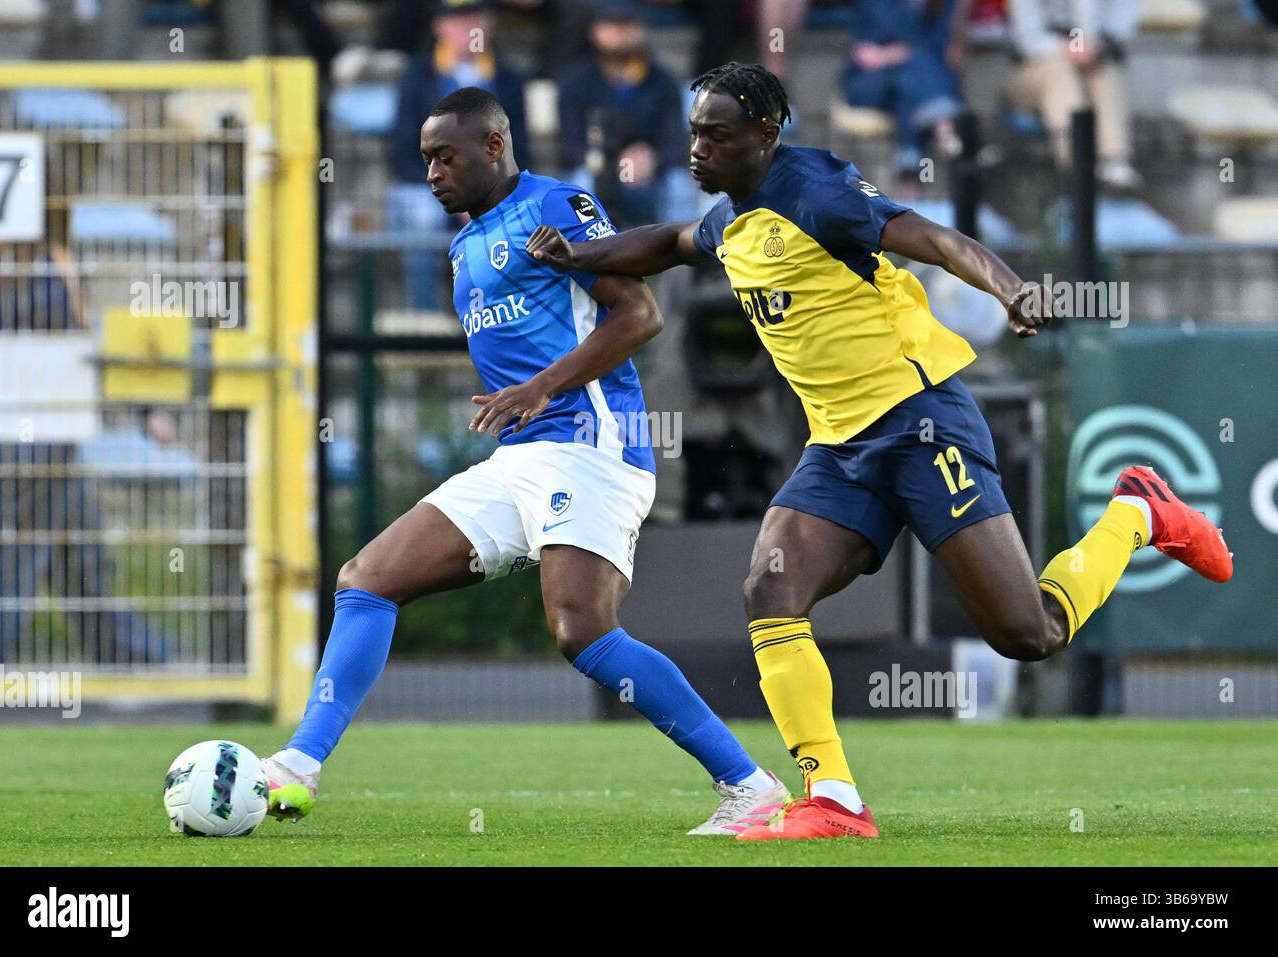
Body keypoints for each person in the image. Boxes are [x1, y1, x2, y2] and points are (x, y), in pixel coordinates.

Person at [527, 62, 1233, 840]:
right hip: (839, 445)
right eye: (694, 133)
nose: (697, 148)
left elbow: (931, 237)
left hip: (919, 421)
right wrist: (579, 258)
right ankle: (833, 797)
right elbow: (667, 241)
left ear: (765, 135)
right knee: (770, 588)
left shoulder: (818, 193)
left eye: (716, 135)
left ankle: (1135, 514)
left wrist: (1009, 289)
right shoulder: (733, 217)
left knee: (1027, 633)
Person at [261, 86, 789, 836]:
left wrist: (540, 387)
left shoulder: (558, 206)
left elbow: (641, 314)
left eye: (446, 156)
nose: (434, 172)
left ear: (495, 146)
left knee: (582, 629)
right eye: (424, 160)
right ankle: (298, 764)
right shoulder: (461, 244)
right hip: (520, 457)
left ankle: (751, 785)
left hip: (590, 443)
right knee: (367, 580)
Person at [386, 0, 530, 308]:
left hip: (491, 188)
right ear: (438, 27)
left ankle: (500, 313)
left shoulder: (509, 79)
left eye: (472, 19)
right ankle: (424, 319)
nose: (465, 30)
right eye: (455, 20)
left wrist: (484, 195)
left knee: (516, 215)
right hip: (428, 186)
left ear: (488, 23)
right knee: (421, 217)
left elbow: (520, 150)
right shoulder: (417, 75)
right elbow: (402, 152)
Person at [556, 0, 693, 228]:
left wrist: (651, 159)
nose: (621, 32)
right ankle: (585, 256)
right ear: (595, 30)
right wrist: (612, 163)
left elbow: (674, 143)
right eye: (611, 24)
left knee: (678, 183)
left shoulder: (663, 81)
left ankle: (682, 258)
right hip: (598, 171)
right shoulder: (575, 82)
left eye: (628, 23)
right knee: (581, 184)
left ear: (642, 27)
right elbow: (570, 147)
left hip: (651, 176)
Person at [1005, 0, 1141, 190]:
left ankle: (1114, 160)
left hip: (1084, 64)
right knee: (1060, 71)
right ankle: (1076, 163)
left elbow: (1117, 29)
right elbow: (1029, 39)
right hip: (1028, 76)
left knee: (1104, 71)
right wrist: (1071, 49)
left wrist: (1091, 47)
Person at [841, 0, 964, 189]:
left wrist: (898, 53)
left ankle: (909, 170)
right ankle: (943, 127)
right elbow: (867, 54)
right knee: (918, 77)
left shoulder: (942, 4)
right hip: (870, 83)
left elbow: (941, 48)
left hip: (912, 86)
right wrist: (899, 54)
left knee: (909, 86)